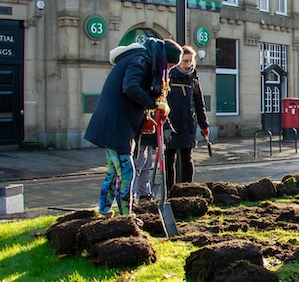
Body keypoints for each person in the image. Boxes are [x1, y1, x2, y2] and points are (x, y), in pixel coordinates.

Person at [84, 38, 182, 216]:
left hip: (113, 124)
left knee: (113, 172)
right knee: (127, 172)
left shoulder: (139, 58)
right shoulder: (141, 60)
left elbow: (131, 92)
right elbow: (130, 87)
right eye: (169, 65)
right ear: (163, 58)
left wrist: (145, 117)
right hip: (116, 126)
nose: (167, 71)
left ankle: (105, 210)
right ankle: (126, 217)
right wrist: (154, 104)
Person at [165, 46, 209, 189]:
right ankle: (170, 190)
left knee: (187, 159)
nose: (188, 64)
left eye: (190, 61)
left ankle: (187, 189)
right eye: (185, 61)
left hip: (188, 123)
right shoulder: (169, 76)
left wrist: (204, 125)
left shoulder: (193, 78)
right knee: (169, 159)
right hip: (171, 123)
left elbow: (199, 103)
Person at [133, 113, 158, 199]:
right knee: (138, 166)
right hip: (140, 135)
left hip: (150, 136)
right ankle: (132, 195)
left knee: (146, 166)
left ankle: (144, 193)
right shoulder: (147, 101)